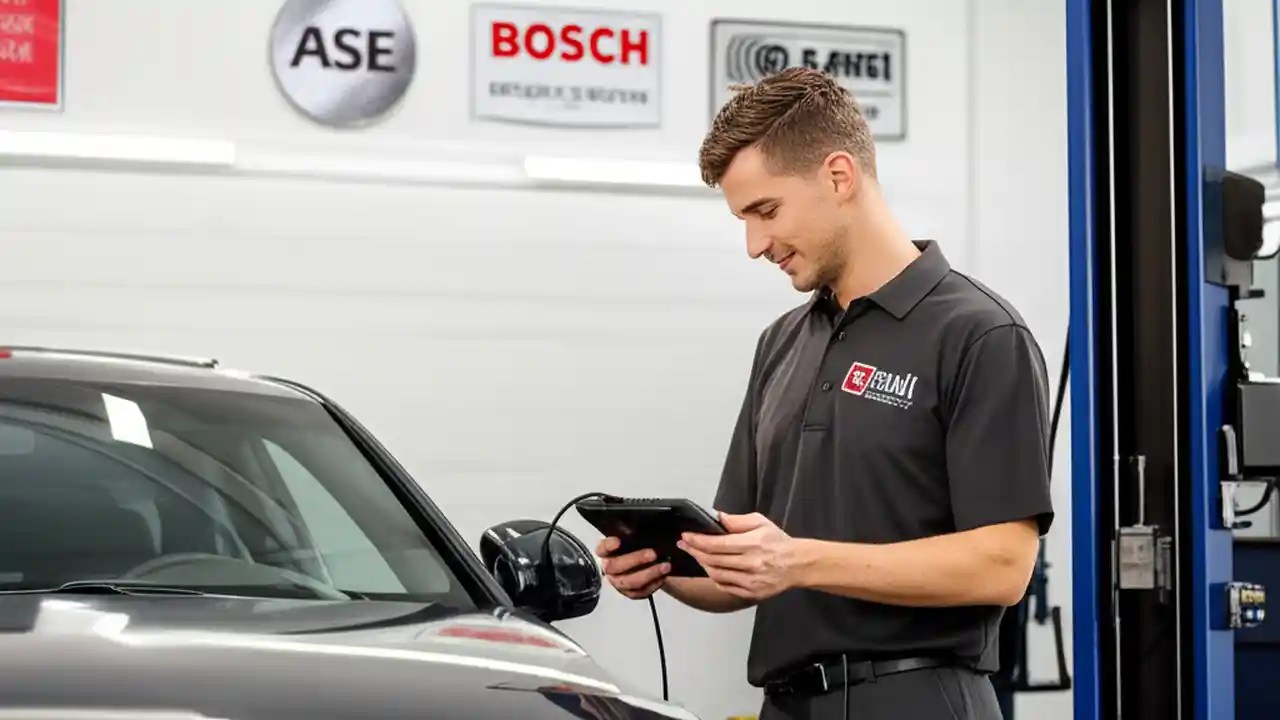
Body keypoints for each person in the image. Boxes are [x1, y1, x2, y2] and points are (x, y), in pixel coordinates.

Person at [594, 67, 1054, 720]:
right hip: (786, 705)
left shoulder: (980, 334)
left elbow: (1003, 566)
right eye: (743, 219)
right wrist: (663, 567)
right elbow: (744, 573)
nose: (755, 245)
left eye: (766, 211)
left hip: (916, 699)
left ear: (839, 177)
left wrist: (798, 562)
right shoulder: (781, 343)